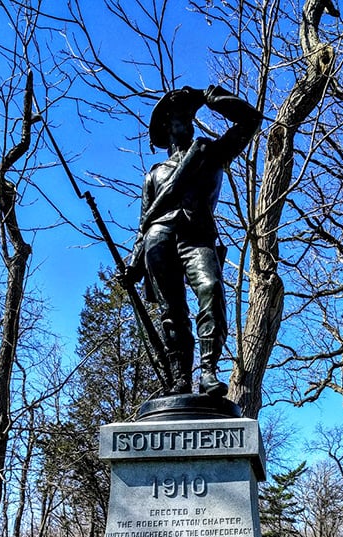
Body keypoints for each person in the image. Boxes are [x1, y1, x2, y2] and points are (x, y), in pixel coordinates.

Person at [127, 85, 261, 396]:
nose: (185, 123)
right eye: (177, 118)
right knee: (172, 313)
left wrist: (211, 95)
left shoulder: (209, 154)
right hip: (157, 239)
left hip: (196, 236)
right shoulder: (154, 175)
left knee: (211, 289)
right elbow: (143, 223)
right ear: (165, 128)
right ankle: (179, 379)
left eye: (188, 117)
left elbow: (250, 120)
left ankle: (208, 371)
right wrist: (133, 263)